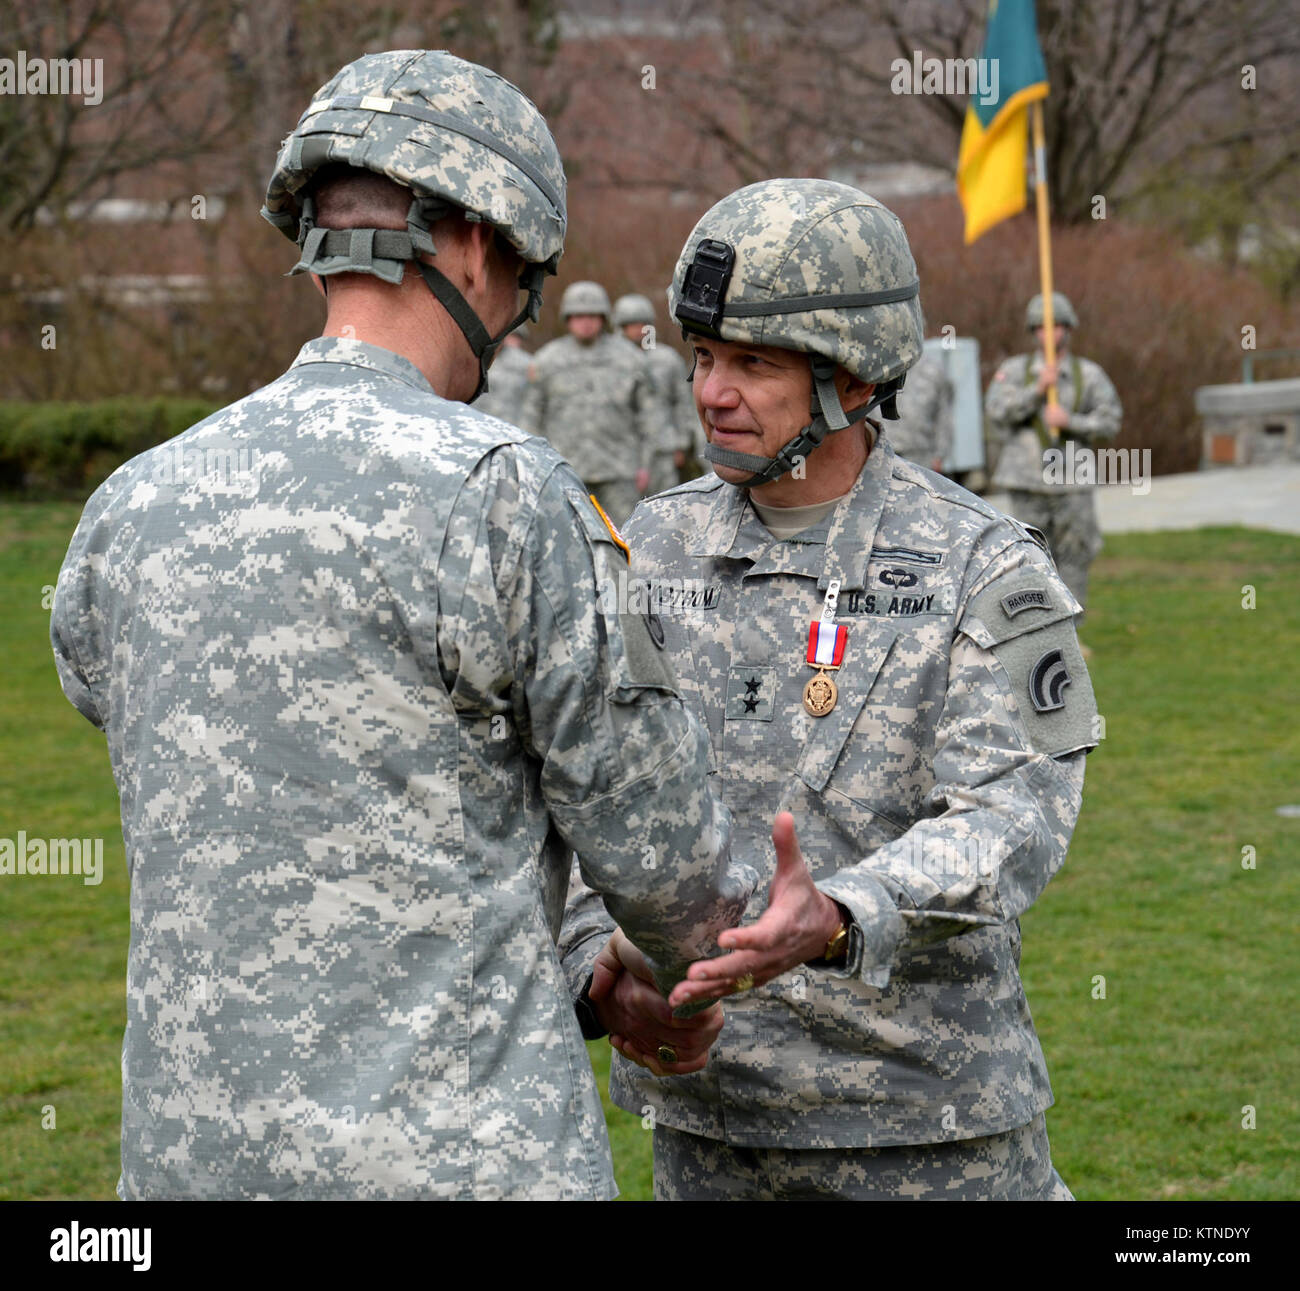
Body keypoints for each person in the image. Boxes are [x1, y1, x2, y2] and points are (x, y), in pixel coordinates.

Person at [49, 49, 752, 1202]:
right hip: (460, 1168)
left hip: (192, 1168)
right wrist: (665, 973)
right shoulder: (511, 496)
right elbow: (674, 873)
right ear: (477, 242)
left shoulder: (133, 501)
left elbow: (110, 691)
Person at [560, 178, 1098, 1201]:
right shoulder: (652, 549)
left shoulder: (981, 566)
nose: (712, 390)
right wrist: (600, 964)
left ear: (852, 377)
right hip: (710, 1130)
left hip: (924, 1130)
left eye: (753, 363)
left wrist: (845, 912)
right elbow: (588, 789)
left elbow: (1014, 814)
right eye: (704, 357)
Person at [984, 292, 1122, 616]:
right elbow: (996, 410)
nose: (1049, 335)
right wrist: (1037, 391)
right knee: (1029, 558)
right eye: (1042, 328)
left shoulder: (1089, 375)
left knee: (1075, 555)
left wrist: (1071, 421)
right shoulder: (1015, 371)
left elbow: (1110, 421)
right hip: (1027, 481)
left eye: (1056, 327)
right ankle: (1035, 630)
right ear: (1033, 332)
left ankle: (1072, 631)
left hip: (1072, 481)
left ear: (1068, 329)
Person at [517, 281, 668, 525]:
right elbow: (531, 417)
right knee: (566, 542)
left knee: (625, 541)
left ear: (604, 318)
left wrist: (646, 465)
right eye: (578, 315)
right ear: (567, 318)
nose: (585, 322)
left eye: (592, 315)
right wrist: (535, 465)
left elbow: (650, 417)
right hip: (564, 470)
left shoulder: (631, 359)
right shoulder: (547, 361)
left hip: (620, 471)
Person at [612, 292, 696, 493]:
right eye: (630, 325)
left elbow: (682, 402)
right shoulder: (612, 363)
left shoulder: (667, 360)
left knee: (664, 502)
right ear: (620, 328)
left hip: (662, 446)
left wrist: (681, 442)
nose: (637, 330)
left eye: (641, 324)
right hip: (622, 449)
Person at [888, 343, 953, 473]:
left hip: (921, 454)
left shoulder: (933, 370)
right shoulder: (879, 366)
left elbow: (944, 415)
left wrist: (940, 455)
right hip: (883, 451)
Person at [473, 321, 532, 425]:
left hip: (512, 425)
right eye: (510, 336)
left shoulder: (528, 364)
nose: (512, 342)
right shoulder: (484, 360)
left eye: (516, 337)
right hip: (481, 421)